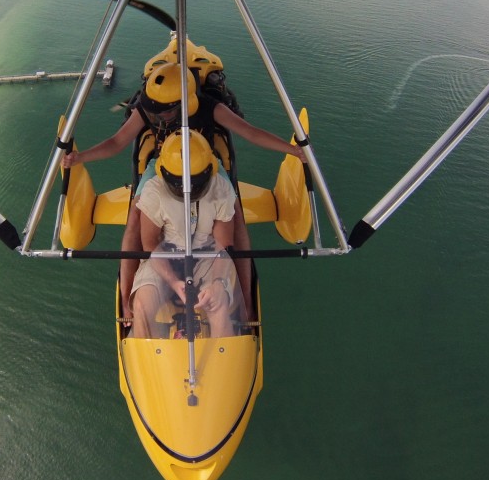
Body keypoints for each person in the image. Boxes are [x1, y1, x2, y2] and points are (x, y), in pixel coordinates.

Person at [61, 62, 306, 317]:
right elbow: (116, 142)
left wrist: (293, 151)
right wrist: (81, 158)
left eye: (164, 113)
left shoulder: (210, 108)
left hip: (206, 164)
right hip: (163, 165)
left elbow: (250, 133)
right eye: (155, 113)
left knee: (237, 216)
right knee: (134, 216)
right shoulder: (149, 109)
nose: (158, 118)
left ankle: (246, 299)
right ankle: (126, 298)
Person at [130, 130, 238, 338]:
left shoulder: (221, 189)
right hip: (164, 254)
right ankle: (146, 366)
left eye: (196, 184)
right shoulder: (154, 191)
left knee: (219, 304)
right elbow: (151, 244)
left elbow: (223, 245)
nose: (187, 190)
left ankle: (223, 361)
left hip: (208, 255)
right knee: (142, 306)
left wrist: (217, 283)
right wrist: (172, 280)